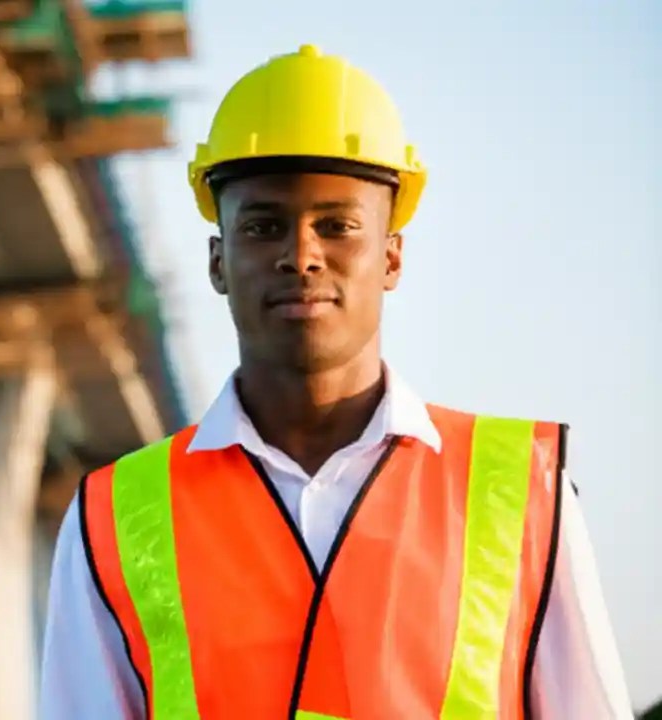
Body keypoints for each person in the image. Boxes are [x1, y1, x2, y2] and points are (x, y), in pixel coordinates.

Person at [38, 44, 632, 719]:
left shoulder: (525, 493)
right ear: (218, 262)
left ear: (391, 256)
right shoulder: (112, 521)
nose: (301, 256)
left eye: (337, 226)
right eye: (263, 227)